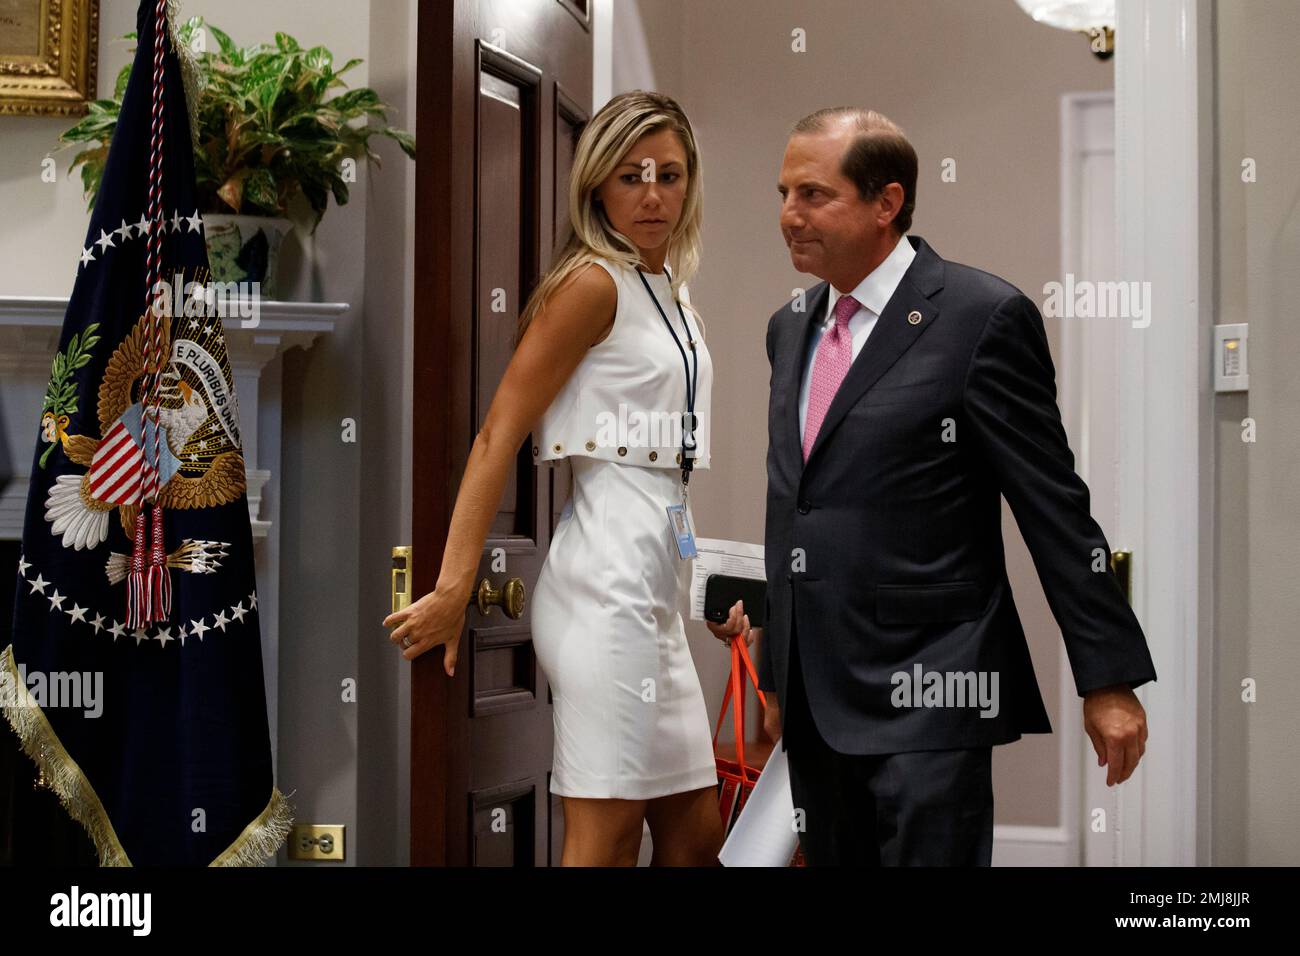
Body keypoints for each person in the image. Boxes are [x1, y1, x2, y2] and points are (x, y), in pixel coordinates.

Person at [711, 107, 1155, 866]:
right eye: (784, 193)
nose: (789, 215)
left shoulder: (981, 318)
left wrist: (1107, 678)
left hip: (935, 686)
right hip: (818, 694)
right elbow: (795, 500)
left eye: (814, 195)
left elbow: (1053, 507)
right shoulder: (789, 327)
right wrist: (780, 664)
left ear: (886, 203)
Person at [383, 90, 729, 866]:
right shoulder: (593, 284)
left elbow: (666, 488)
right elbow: (496, 436)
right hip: (602, 597)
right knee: (603, 841)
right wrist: (452, 586)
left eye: (669, 175)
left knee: (696, 840)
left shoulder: (671, 295)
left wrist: (709, 590)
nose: (652, 194)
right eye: (631, 174)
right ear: (597, 185)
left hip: (655, 596)